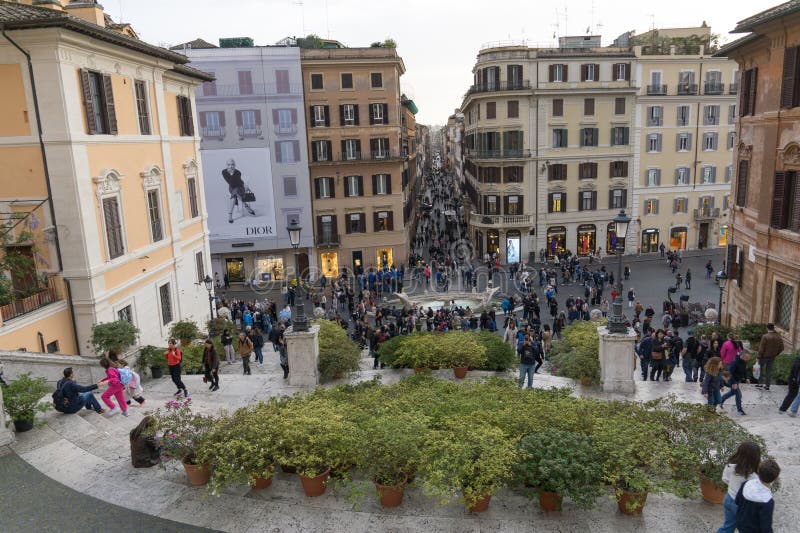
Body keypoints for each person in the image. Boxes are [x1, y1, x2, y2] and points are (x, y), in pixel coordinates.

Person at [716, 441, 761, 533]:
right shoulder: (754, 477)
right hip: (742, 506)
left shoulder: (730, 466)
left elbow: (725, 479)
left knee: (728, 526)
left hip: (728, 499)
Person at [735, 459, 780, 533]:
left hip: (741, 524)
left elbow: (737, 501)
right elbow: (766, 526)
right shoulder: (767, 501)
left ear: (758, 471)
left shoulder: (746, 484)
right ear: (775, 479)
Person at [222, 159, 255, 223]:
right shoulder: (224, 172)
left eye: (232, 164)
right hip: (231, 188)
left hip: (240, 187)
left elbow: (238, 182)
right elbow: (230, 183)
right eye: (229, 165)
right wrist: (231, 174)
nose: (231, 166)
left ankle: (230, 216)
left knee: (235, 194)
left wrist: (245, 186)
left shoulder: (238, 172)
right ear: (226, 166)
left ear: (235, 165)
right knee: (235, 192)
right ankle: (246, 206)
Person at [720, 350, 749, 416]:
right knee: (738, 394)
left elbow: (744, 370)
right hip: (732, 380)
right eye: (746, 357)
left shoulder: (744, 361)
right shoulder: (735, 362)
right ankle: (740, 410)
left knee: (732, 392)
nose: (748, 359)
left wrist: (746, 378)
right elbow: (730, 373)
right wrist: (734, 383)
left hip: (737, 380)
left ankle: (720, 401)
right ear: (742, 356)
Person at [756, 323, 784, 391]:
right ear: (773, 328)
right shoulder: (778, 336)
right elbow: (782, 348)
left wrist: (758, 356)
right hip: (772, 356)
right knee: (769, 370)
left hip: (763, 356)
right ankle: (767, 385)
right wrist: (776, 354)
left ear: (767, 328)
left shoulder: (765, 336)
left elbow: (761, 348)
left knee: (759, 369)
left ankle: (760, 384)